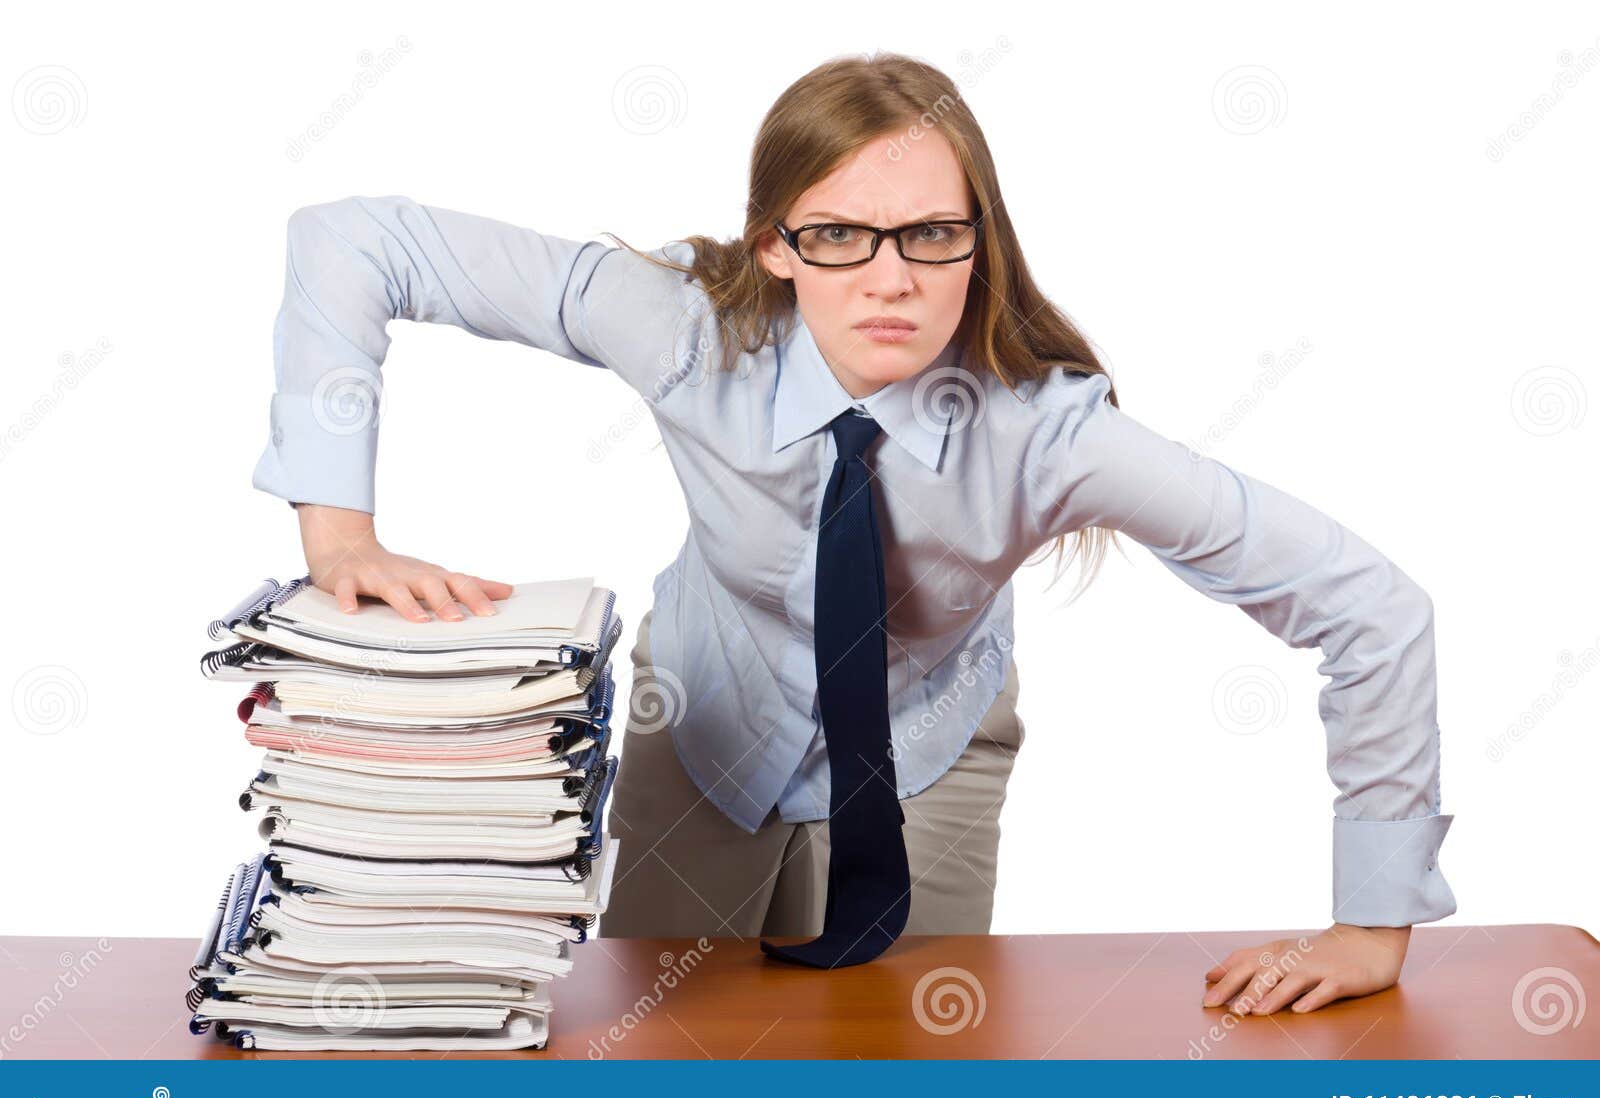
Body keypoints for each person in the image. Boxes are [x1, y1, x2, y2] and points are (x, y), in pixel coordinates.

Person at [252, 52, 1456, 1008]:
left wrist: (1372, 921)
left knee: (903, 1068)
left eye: (930, 234)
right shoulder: (680, 327)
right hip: (701, 726)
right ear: (775, 246)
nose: (890, 279)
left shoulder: (1049, 437)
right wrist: (338, 536)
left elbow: (1370, 607)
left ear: (978, 243)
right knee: (658, 1055)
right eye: (837, 235)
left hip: (925, 747)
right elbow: (353, 237)